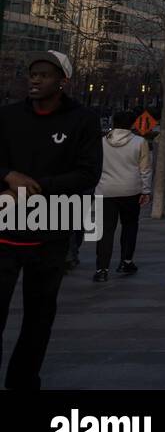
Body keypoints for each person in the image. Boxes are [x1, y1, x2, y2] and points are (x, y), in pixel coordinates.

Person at [0, 51, 103, 390]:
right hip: (5, 227)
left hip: (53, 231)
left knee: (39, 317)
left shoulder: (83, 119)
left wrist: (40, 186)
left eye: (44, 74)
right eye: (32, 73)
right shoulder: (9, 116)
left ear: (63, 81)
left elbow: (89, 172)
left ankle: (23, 381)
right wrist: (9, 175)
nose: (35, 79)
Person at [94, 111, 152, 282]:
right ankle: (126, 261)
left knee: (105, 231)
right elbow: (145, 168)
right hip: (130, 190)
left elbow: (95, 166)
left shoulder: (101, 142)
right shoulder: (140, 142)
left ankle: (101, 269)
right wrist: (146, 190)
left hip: (105, 190)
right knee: (130, 225)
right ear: (132, 124)